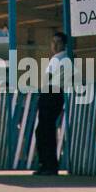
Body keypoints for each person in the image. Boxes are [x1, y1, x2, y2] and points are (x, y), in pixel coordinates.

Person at [33, 32, 69, 176]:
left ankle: (48, 165)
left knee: (44, 130)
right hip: (57, 94)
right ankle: (48, 164)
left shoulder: (57, 58)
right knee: (46, 130)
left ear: (63, 44)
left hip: (51, 93)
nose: (54, 45)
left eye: (57, 42)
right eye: (53, 42)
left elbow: (46, 79)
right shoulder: (67, 57)